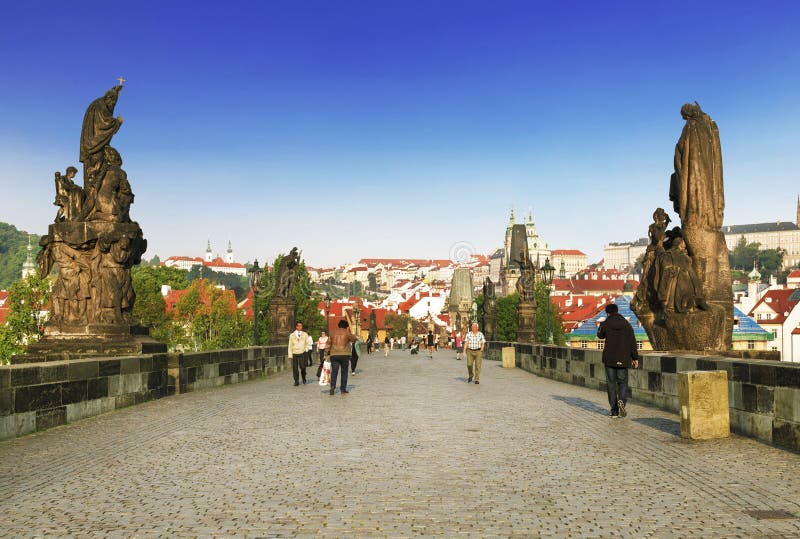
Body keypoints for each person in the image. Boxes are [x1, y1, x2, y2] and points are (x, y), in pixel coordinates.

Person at [596, 303, 640, 418]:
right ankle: (622, 401)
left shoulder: (606, 323)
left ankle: (614, 411)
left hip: (609, 359)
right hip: (623, 358)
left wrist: (602, 324)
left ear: (607, 313)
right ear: (617, 311)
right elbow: (632, 341)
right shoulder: (626, 324)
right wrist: (635, 358)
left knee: (611, 384)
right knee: (623, 382)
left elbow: (600, 335)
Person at [328, 319, 357, 395]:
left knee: (334, 371)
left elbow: (328, 344)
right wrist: (348, 331)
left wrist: (325, 353)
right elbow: (354, 339)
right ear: (346, 327)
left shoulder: (332, 333)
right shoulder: (347, 333)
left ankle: (332, 386)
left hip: (334, 355)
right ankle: (343, 389)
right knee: (344, 372)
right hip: (345, 355)